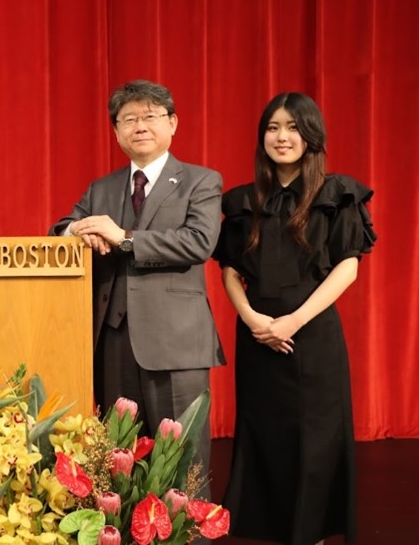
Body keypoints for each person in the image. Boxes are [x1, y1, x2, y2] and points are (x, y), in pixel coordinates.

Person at [214, 92, 375, 544]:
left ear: (311, 136)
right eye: (273, 128)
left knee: (316, 440)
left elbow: (348, 266)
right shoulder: (243, 200)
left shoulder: (336, 193)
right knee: (265, 436)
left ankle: (312, 535)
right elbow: (229, 271)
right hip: (257, 336)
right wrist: (251, 319)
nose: (281, 137)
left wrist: (293, 321)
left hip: (313, 334)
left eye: (292, 127)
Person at [49, 79, 224, 482]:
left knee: (182, 462)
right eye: (129, 119)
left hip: (176, 343)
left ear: (172, 123)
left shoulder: (200, 181)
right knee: (119, 461)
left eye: (150, 116)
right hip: (114, 341)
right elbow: (59, 228)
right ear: (116, 132)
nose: (140, 126)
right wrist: (76, 231)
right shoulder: (103, 188)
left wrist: (124, 237)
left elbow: (198, 242)